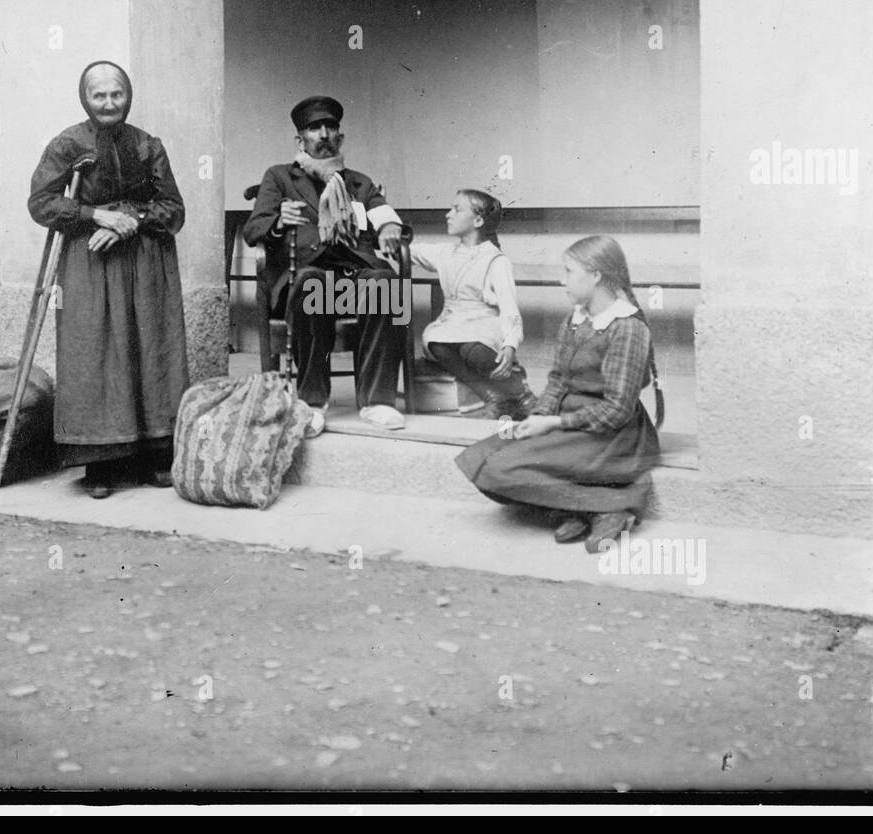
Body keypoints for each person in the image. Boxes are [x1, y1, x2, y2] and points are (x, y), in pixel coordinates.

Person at [27, 60, 190, 498]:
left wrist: (132, 218)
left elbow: (174, 209)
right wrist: (94, 214)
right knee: (95, 351)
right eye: (99, 95)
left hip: (145, 261)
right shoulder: (67, 144)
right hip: (91, 262)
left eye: (116, 94)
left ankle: (156, 452)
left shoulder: (147, 145)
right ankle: (100, 463)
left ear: (127, 95)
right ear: (86, 98)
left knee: (149, 347)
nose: (109, 103)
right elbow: (41, 203)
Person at [454, 235, 661, 551]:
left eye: (569, 271)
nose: (561, 280)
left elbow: (617, 410)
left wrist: (553, 425)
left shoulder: (627, 328)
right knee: (481, 459)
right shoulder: (574, 320)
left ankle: (616, 504)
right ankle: (581, 508)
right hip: (567, 421)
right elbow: (558, 382)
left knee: (501, 468)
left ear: (595, 275)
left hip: (612, 434)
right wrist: (538, 417)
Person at [243, 96, 407, 438]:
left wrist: (391, 227)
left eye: (330, 127)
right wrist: (277, 221)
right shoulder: (279, 177)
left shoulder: (359, 183)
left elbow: (385, 216)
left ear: (340, 138)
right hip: (304, 278)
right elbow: (253, 230)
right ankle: (312, 402)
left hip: (351, 281)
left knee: (384, 281)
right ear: (299, 140)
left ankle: (377, 400)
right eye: (314, 128)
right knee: (311, 281)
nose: (323, 134)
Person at [410, 189, 537, 420]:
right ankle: (492, 396)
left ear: (478, 220)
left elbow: (509, 310)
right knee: (435, 342)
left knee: (475, 351)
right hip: (451, 322)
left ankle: (520, 394)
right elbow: (406, 251)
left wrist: (510, 345)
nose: (448, 215)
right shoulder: (444, 253)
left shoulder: (496, 261)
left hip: (484, 323)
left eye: (456, 209)